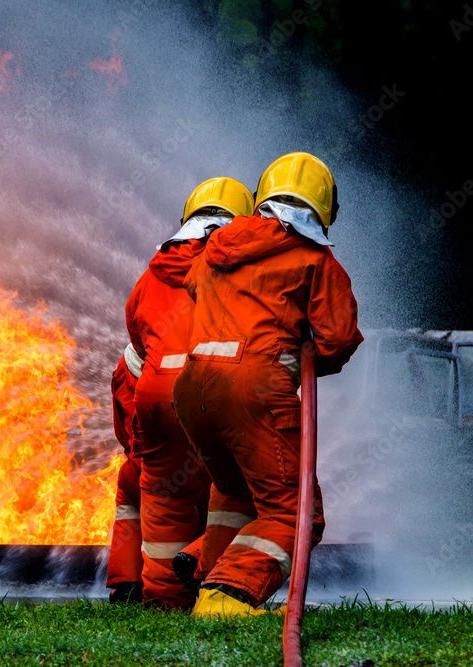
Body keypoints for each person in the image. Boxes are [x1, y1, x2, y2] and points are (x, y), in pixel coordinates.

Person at [172, 153, 364, 619]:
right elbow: (337, 340)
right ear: (323, 208)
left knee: (236, 493)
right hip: (255, 390)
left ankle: (206, 575)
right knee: (295, 511)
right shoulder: (316, 260)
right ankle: (228, 597)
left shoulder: (216, 246)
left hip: (193, 389)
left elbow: (193, 286)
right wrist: (303, 353)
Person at [126, 177, 255, 608]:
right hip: (215, 390)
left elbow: (133, 360)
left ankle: (165, 600)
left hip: (158, 396)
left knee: (164, 497)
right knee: (247, 491)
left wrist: (136, 443)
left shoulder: (151, 274)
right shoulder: (243, 263)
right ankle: (218, 587)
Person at [106, 346, 144, 603]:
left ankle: (127, 586)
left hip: (142, 467)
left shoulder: (127, 362)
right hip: (190, 472)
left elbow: (124, 433)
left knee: (128, 496)